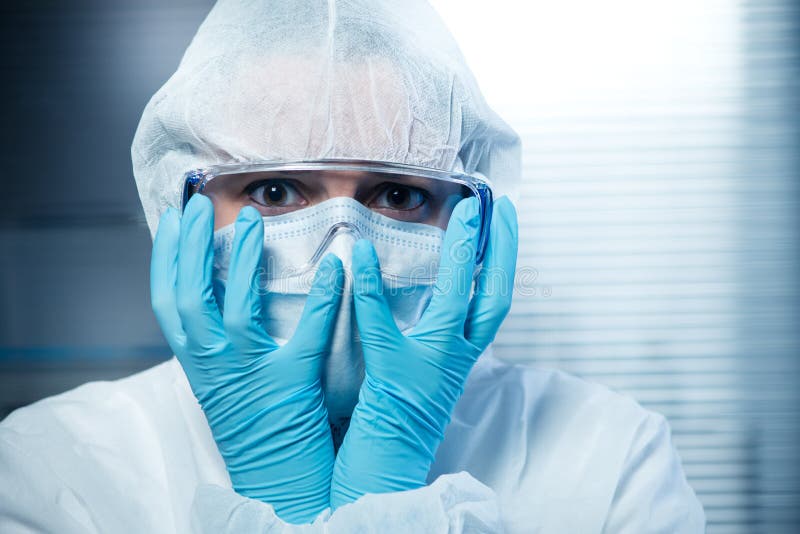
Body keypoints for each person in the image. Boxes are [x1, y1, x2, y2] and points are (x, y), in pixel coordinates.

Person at [0, 0, 705, 532]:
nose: (342, 252)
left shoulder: (610, 462)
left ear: (475, 223)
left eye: (397, 194)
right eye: (275, 190)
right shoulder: (49, 469)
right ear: (178, 209)